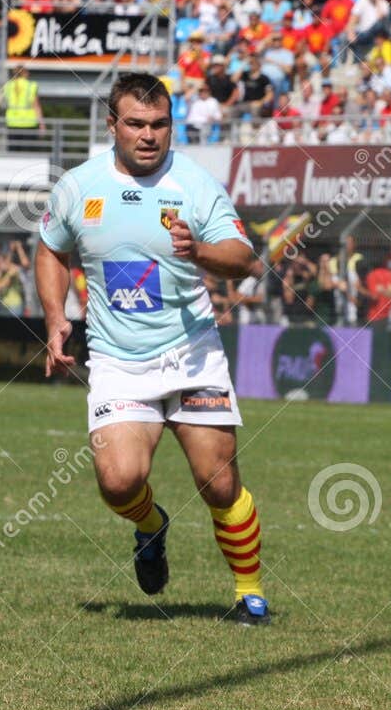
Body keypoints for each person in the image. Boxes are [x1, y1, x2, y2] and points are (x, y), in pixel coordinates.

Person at [37, 72, 273, 625]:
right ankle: (150, 525)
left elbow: (245, 258)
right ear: (112, 124)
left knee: (219, 483)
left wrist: (202, 252)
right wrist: (55, 318)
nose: (149, 135)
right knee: (119, 481)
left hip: (191, 353)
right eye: (137, 124)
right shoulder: (77, 185)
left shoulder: (195, 185)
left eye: (160, 124)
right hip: (119, 361)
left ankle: (249, 592)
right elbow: (51, 250)